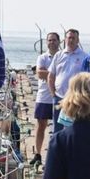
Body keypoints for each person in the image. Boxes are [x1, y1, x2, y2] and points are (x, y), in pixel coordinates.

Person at [48, 29, 87, 132]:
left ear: (78, 40)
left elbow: (87, 79)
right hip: (58, 97)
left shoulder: (84, 57)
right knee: (57, 129)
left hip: (75, 99)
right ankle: (56, 147)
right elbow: (51, 76)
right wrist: (53, 95)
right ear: (65, 39)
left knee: (74, 129)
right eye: (69, 38)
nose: (71, 40)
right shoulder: (58, 55)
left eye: (73, 38)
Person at [30, 32, 60, 167]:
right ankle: (37, 154)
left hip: (59, 96)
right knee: (41, 126)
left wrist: (48, 72)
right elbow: (39, 74)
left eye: (54, 40)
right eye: (49, 40)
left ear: (59, 42)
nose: (51, 42)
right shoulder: (42, 57)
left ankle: (56, 157)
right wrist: (56, 73)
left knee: (59, 128)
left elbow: (44, 73)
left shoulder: (62, 56)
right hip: (43, 96)